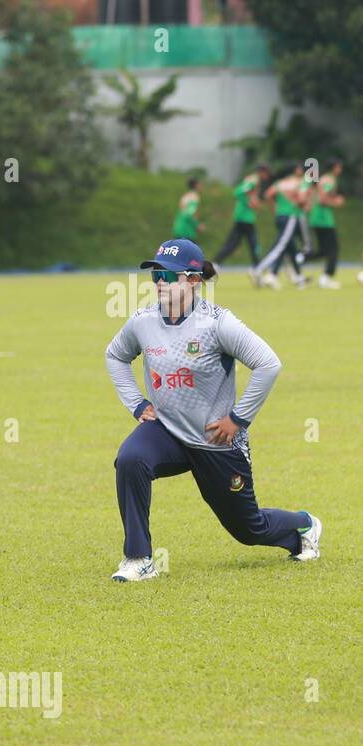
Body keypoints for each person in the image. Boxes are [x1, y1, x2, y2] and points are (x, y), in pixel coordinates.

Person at [105, 238, 321, 582]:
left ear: (192, 280)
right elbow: (115, 355)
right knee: (131, 459)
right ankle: (139, 558)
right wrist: (137, 403)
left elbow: (268, 364)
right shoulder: (141, 321)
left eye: (168, 275)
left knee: (249, 530)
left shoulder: (219, 323)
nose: (160, 281)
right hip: (167, 431)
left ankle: (303, 525)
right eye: (155, 274)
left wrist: (238, 419)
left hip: (215, 439)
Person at [253, 166, 310, 289]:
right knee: (281, 245)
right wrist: (304, 205)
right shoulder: (299, 182)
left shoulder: (280, 183)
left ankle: (298, 277)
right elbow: (301, 199)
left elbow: (268, 195)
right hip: (291, 216)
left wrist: (275, 208)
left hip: (280, 216)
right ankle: (259, 269)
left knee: (291, 246)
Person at [213, 163, 270, 273]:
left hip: (243, 217)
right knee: (252, 242)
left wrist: (252, 201)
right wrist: (249, 202)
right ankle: (257, 267)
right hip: (245, 218)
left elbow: (247, 194)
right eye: (267, 173)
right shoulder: (253, 180)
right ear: (263, 172)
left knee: (234, 243)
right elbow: (238, 192)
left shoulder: (253, 180)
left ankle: (216, 262)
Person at [297, 159, 345, 289]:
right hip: (324, 220)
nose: (340, 170)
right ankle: (326, 278)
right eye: (339, 167)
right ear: (334, 167)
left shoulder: (323, 179)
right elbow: (323, 199)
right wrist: (337, 202)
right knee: (334, 248)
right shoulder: (329, 179)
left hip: (316, 218)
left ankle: (299, 258)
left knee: (324, 250)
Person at [172, 176, 204, 241]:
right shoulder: (194, 197)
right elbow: (189, 214)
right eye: (200, 184)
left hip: (178, 227)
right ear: (196, 185)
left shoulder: (185, 196)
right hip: (186, 230)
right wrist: (197, 225)